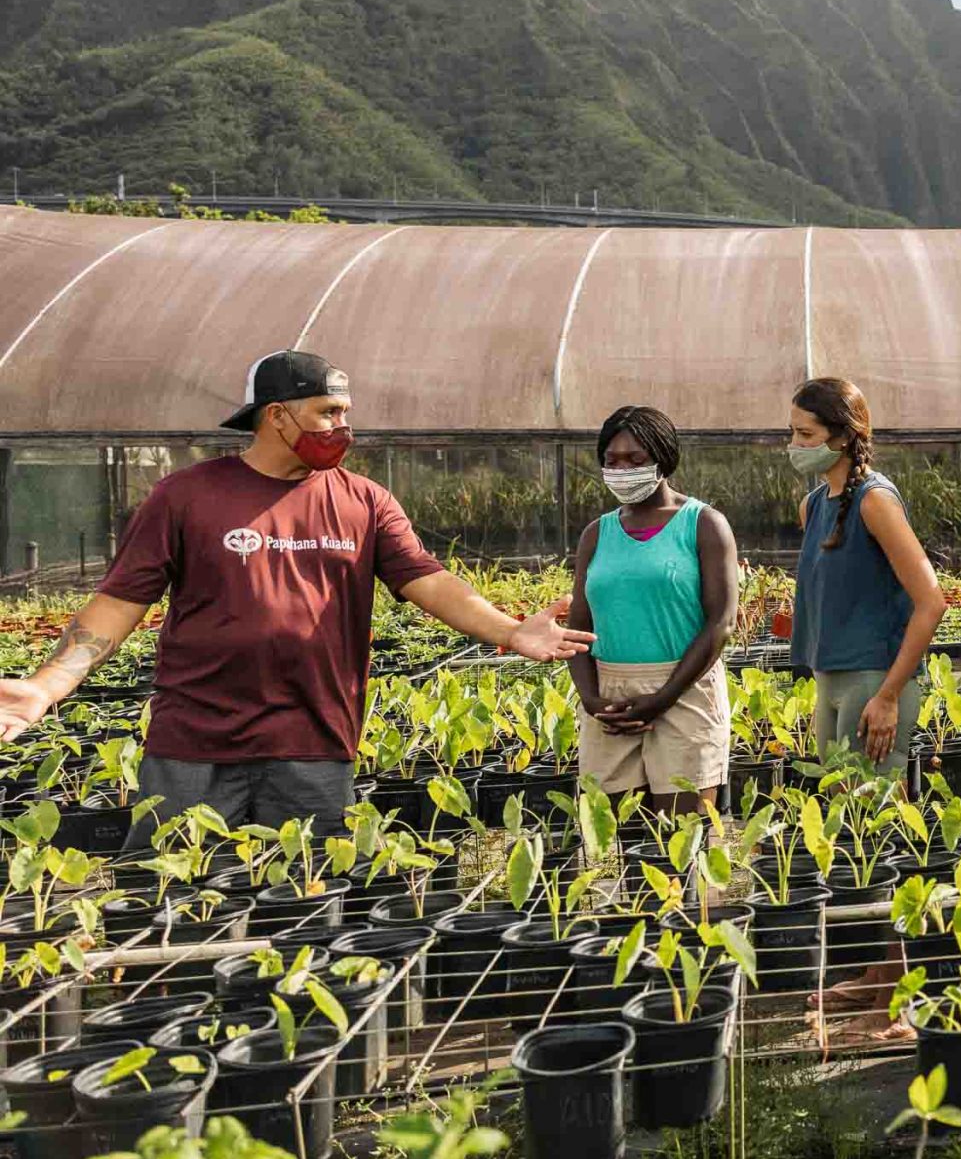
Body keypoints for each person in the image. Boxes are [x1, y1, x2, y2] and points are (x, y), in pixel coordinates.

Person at [0, 350, 590, 838]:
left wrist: (510, 631)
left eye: (345, 412)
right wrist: (45, 686)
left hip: (313, 742)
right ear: (277, 415)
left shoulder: (365, 501)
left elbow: (428, 580)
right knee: (172, 895)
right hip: (194, 746)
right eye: (328, 411)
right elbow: (119, 603)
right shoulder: (185, 497)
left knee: (306, 904)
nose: (342, 426)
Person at [566, 406, 739, 814]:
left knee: (679, 840)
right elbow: (578, 627)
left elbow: (721, 622)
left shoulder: (704, 524)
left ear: (663, 458)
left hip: (684, 690)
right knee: (625, 839)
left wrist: (664, 697)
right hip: (610, 699)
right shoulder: (597, 534)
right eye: (612, 461)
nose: (622, 469)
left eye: (635, 460)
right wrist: (591, 700)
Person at [787, 378, 947, 782]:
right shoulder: (814, 506)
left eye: (806, 434)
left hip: (875, 679)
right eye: (792, 432)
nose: (795, 444)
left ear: (843, 437)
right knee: (846, 819)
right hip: (829, 680)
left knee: (877, 817)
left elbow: (932, 602)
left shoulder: (874, 501)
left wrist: (889, 695)